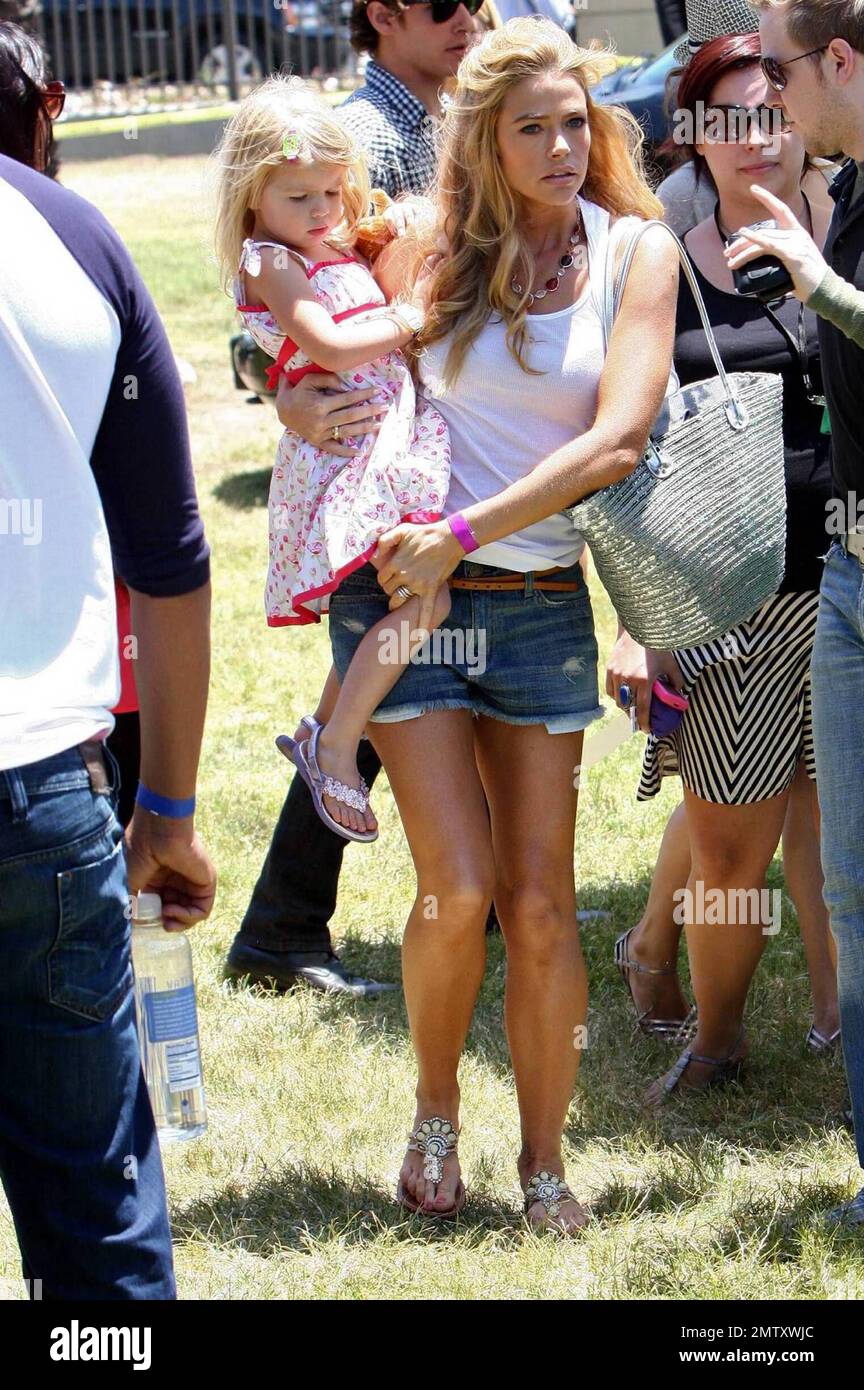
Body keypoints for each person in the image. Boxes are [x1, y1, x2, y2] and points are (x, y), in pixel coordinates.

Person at [338, 18, 678, 1227]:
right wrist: (308, 407)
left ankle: (544, 1161)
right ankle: (436, 1116)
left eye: (574, 122)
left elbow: (619, 437)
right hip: (412, 604)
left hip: (537, 604)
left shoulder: (637, 251)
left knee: (541, 903)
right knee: (459, 885)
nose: (560, 147)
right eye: (530, 127)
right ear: (482, 140)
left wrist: (468, 531)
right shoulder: (429, 242)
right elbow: (322, 353)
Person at [226, 3, 495, 995]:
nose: (467, 18)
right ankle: (286, 921)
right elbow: (262, 320)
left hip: (431, 433)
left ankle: (482, 889)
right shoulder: (356, 135)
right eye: (441, 5)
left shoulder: (455, 110)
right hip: (381, 449)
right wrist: (288, 390)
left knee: (418, 669)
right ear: (380, 15)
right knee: (384, 670)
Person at [0, 148, 215, 1296]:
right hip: (42, 792)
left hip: (45, 785)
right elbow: (172, 559)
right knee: (97, 1216)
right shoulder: (71, 236)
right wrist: (167, 811)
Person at [606, 32, 836, 1104]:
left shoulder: (856, 227)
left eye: (773, 109)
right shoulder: (664, 261)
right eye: (730, 119)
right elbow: (626, 450)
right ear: (692, 136)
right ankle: (717, 1040)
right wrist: (634, 619)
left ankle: (842, 1031)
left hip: (851, 579)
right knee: (732, 852)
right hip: (732, 602)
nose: (760, 138)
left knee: (841, 842)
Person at [214, 77, 450, 841]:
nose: (320, 212)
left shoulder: (332, 241)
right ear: (254, 200)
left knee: (423, 600)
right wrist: (409, 320)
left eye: (330, 192)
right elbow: (327, 343)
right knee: (412, 601)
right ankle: (335, 739)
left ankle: (328, 732)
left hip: (385, 447)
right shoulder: (270, 263)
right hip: (348, 461)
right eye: (297, 198)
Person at [725, 0, 864, 1226]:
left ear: (839, 60)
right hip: (846, 581)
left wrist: (824, 284)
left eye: (776, 64)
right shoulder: (851, 179)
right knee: (849, 883)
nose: (764, 90)